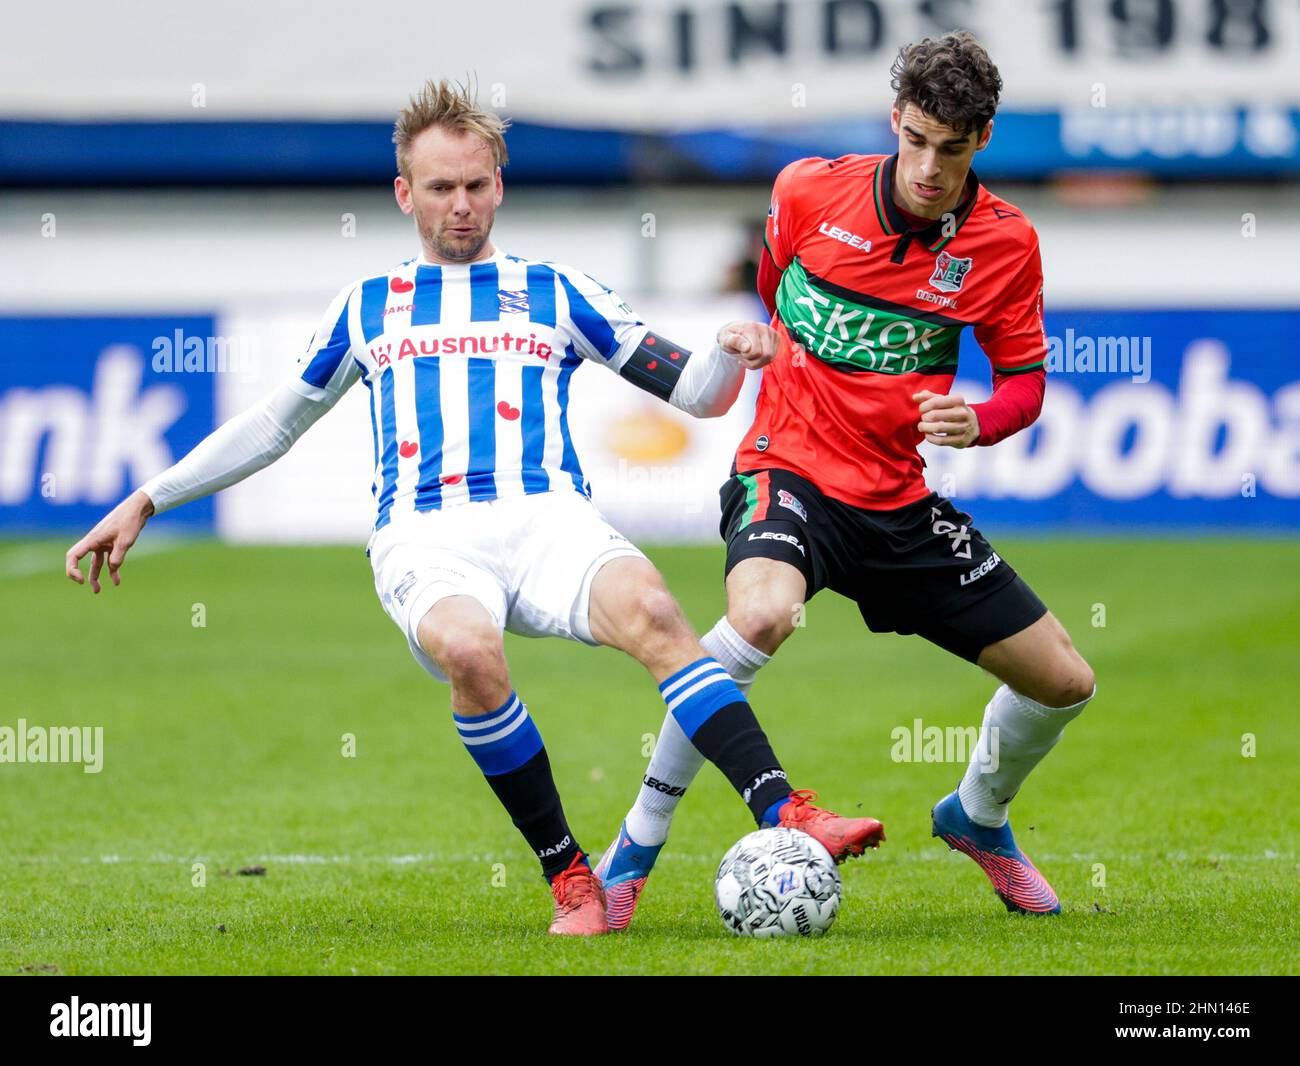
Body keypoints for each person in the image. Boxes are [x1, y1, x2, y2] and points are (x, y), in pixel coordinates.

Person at [64, 79, 884, 937]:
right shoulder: (369, 306)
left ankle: (786, 811)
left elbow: (699, 396)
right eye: (440, 187)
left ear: (500, 183)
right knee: (468, 650)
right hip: (427, 536)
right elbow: (274, 424)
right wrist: (148, 496)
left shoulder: (557, 292)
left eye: (476, 185)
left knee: (654, 610)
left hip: (549, 519)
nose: (460, 204)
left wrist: (729, 352)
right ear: (404, 193)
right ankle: (572, 877)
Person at [601, 32, 1096, 922]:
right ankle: (637, 840)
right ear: (894, 121)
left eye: (952, 148)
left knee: (1064, 682)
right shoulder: (806, 191)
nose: (929, 168)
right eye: (915, 140)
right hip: (786, 468)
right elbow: (773, 290)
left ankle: (978, 816)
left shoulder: (1005, 244)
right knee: (759, 615)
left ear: (982, 139)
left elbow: (1025, 383)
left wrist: (980, 420)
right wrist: (764, 343)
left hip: (898, 500)